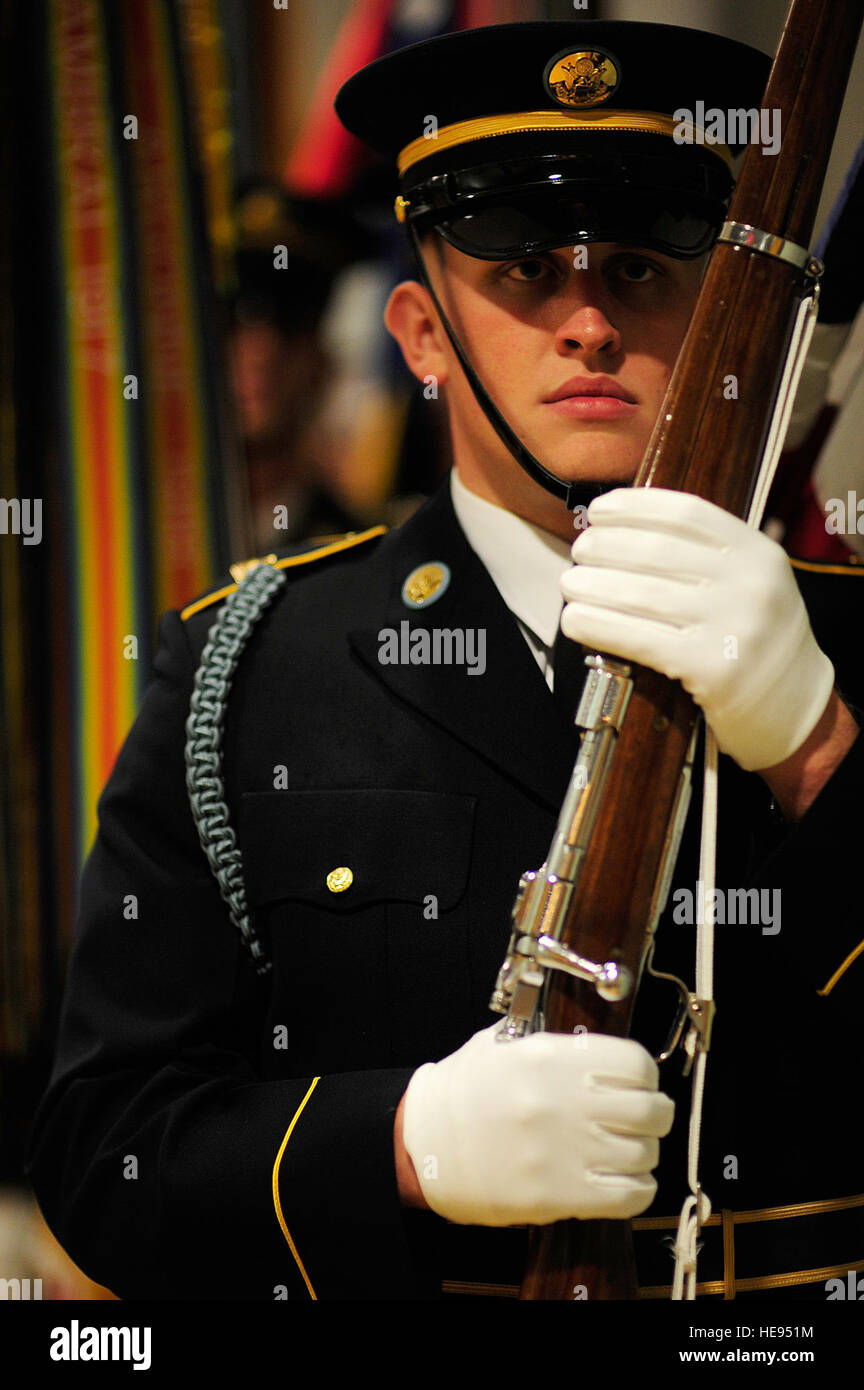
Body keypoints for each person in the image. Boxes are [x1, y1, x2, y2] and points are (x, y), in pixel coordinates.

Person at [28, 19, 864, 1302]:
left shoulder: (847, 651)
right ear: (420, 334)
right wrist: (401, 1144)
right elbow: (108, 1154)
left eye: (641, 269)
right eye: (527, 268)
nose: (587, 320)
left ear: (718, 316)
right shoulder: (250, 668)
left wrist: (819, 755)